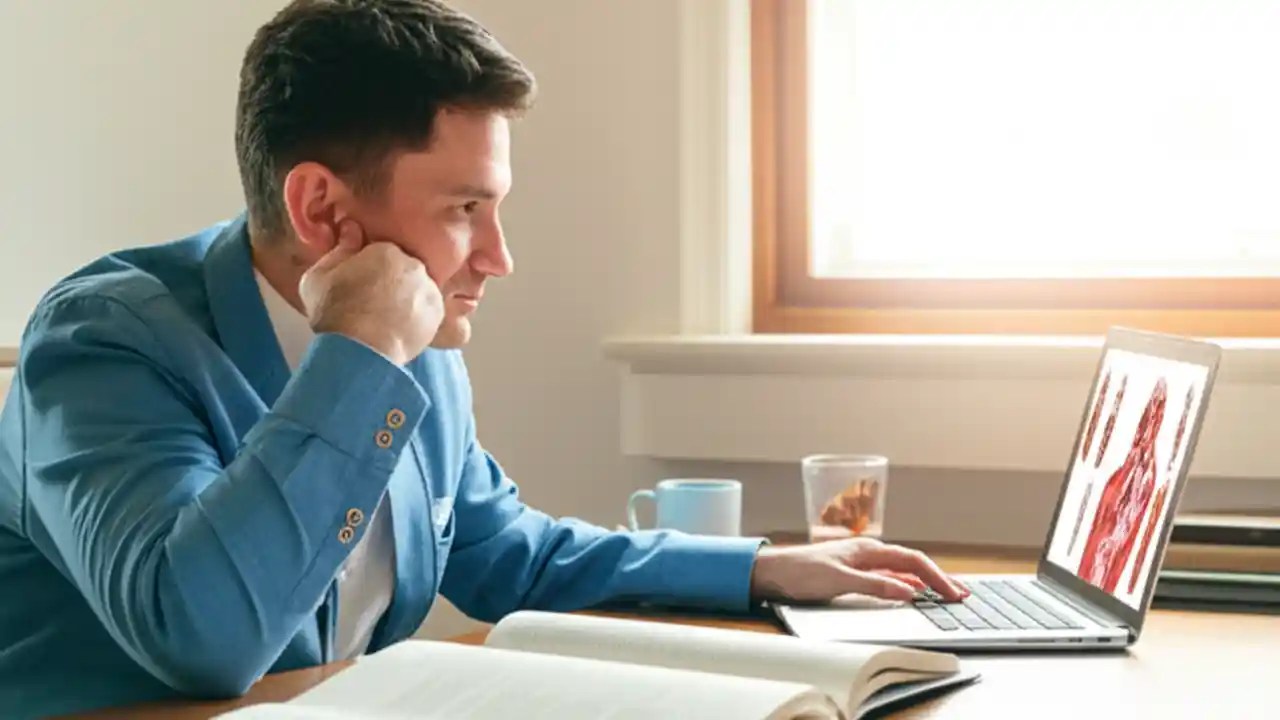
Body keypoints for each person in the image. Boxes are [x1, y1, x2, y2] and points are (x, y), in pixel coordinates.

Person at [0, 1, 966, 716]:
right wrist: (364, 347)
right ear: (323, 211)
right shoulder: (105, 344)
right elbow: (203, 637)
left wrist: (767, 570)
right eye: (466, 209)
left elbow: (508, 553)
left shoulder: (412, 347)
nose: (500, 257)